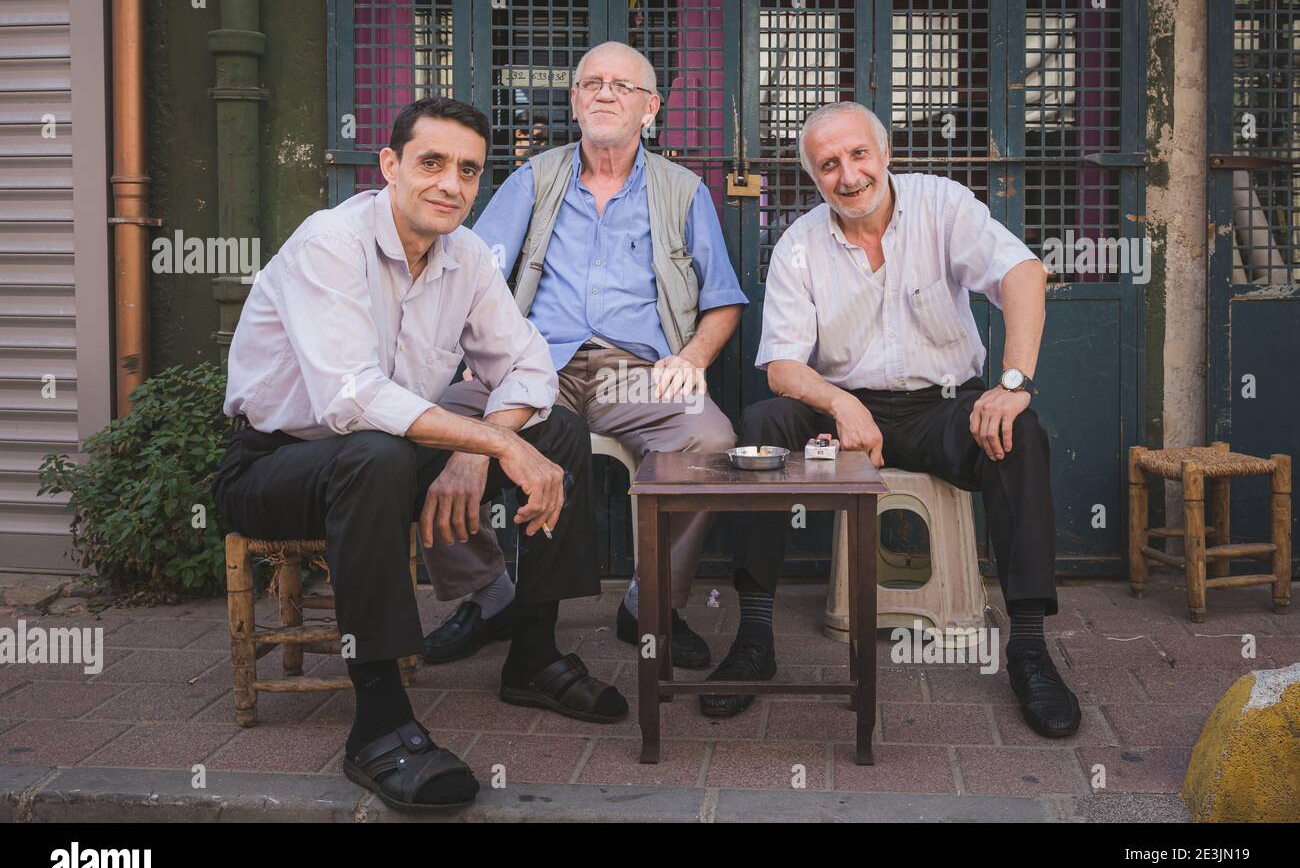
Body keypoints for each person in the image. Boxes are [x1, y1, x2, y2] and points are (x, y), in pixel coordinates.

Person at [214, 97, 628, 813]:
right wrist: (493, 441)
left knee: (555, 431)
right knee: (373, 454)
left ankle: (533, 654)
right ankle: (378, 721)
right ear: (389, 167)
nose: (450, 184)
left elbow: (528, 365)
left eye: (468, 170)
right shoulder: (329, 243)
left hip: (391, 453)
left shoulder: (465, 255)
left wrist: (475, 456)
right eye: (431, 163)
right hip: (275, 466)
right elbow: (352, 400)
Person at [713, 101, 1081, 738]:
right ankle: (753, 632)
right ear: (814, 177)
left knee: (1019, 433)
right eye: (828, 164)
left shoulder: (941, 204)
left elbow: (1022, 271)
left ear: (884, 156)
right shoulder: (800, 244)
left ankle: (1028, 647)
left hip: (941, 405)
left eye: (858, 155)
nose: (847, 174)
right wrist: (840, 402)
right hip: (844, 412)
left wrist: (1014, 384)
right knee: (762, 424)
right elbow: (780, 366)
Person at [421, 41, 748, 671]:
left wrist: (694, 358)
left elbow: (724, 299)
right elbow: (471, 270)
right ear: (574, 101)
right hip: (531, 368)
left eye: (622, 86)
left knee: (711, 443)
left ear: (650, 108)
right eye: (592, 83)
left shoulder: (683, 191)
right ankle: (490, 598)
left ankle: (648, 602)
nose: (604, 93)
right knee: (432, 426)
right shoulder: (533, 178)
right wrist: (469, 351)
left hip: (637, 373)